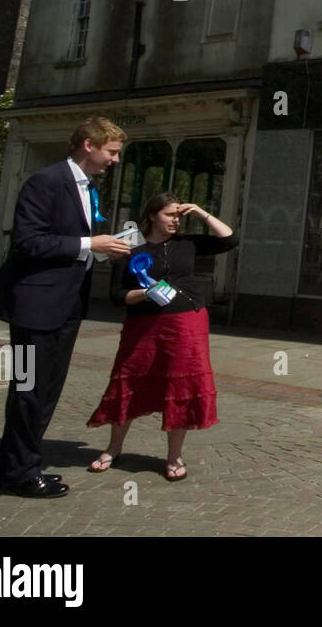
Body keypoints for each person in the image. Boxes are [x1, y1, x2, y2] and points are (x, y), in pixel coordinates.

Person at [0, 117, 130, 498]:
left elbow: (75, 242)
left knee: (46, 391)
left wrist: (103, 249)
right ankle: (21, 473)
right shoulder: (45, 182)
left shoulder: (87, 188)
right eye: (112, 152)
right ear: (88, 145)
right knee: (28, 390)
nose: (115, 160)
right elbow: (27, 243)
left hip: (67, 305)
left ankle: (10, 468)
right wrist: (89, 245)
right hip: (35, 306)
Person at [86, 193, 236, 481]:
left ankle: (174, 456)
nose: (176, 221)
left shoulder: (187, 243)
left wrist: (202, 213)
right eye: (170, 215)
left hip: (186, 323)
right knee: (129, 378)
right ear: (153, 215)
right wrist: (145, 293)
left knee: (181, 385)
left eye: (179, 216)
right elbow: (117, 295)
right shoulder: (129, 245)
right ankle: (113, 448)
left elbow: (229, 239)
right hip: (142, 325)